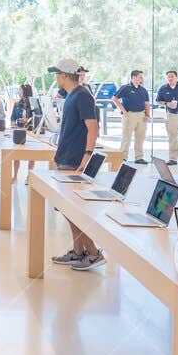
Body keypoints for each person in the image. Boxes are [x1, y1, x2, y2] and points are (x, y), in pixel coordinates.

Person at [48, 57, 105, 271]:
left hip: (74, 161)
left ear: (64, 75)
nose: (56, 78)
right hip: (65, 158)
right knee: (68, 210)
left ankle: (92, 253)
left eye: (57, 74)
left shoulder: (82, 95)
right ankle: (78, 251)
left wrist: (86, 158)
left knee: (74, 211)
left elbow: (93, 128)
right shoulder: (72, 95)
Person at [114, 69, 150, 163]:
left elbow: (147, 103)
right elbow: (114, 98)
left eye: (142, 77)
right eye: (140, 77)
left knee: (140, 137)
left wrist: (147, 114)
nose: (141, 79)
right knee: (127, 137)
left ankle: (139, 158)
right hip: (130, 115)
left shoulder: (143, 90)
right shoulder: (125, 88)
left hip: (141, 115)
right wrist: (124, 111)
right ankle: (123, 157)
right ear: (134, 77)